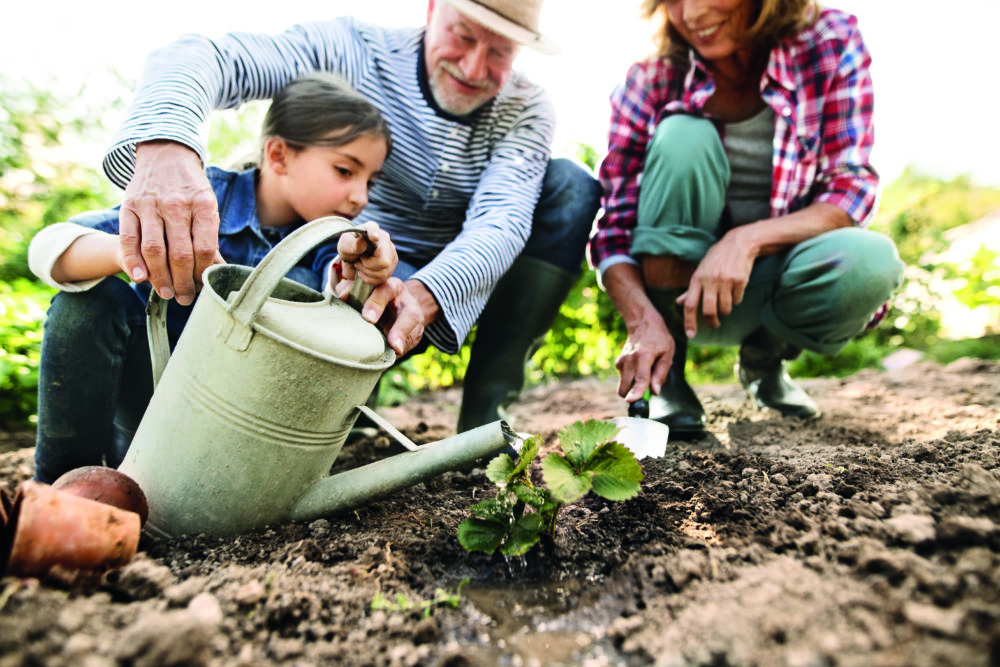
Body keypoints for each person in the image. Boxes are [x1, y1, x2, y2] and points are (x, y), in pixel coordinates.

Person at [100, 0, 603, 433]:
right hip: (348, 265)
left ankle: (485, 412)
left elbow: (502, 220)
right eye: (463, 35)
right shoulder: (353, 50)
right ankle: (347, 381)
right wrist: (167, 147)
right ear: (432, 9)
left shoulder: (527, 107)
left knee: (571, 184)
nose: (474, 67)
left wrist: (424, 296)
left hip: (455, 281)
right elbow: (206, 55)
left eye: (500, 52)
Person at [29, 72, 409, 484]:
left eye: (370, 180)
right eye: (344, 171)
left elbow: (339, 294)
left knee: (310, 297)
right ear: (279, 155)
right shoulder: (196, 199)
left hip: (236, 444)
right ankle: (56, 486)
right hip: (147, 413)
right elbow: (49, 245)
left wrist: (364, 268)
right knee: (87, 304)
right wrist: (135, 250)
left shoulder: (324, 245)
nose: (361, 196)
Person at [589, 0, 904, 437]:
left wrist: (746, 240)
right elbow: (614, 229)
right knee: (683, 136)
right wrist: (642, 322)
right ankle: (669, 376)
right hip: (678, 297)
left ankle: (765, 361)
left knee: (870, 261)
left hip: (771, 290)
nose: (692, 14)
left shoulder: (829, 41)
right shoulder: (652, 76)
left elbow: (850, 188)